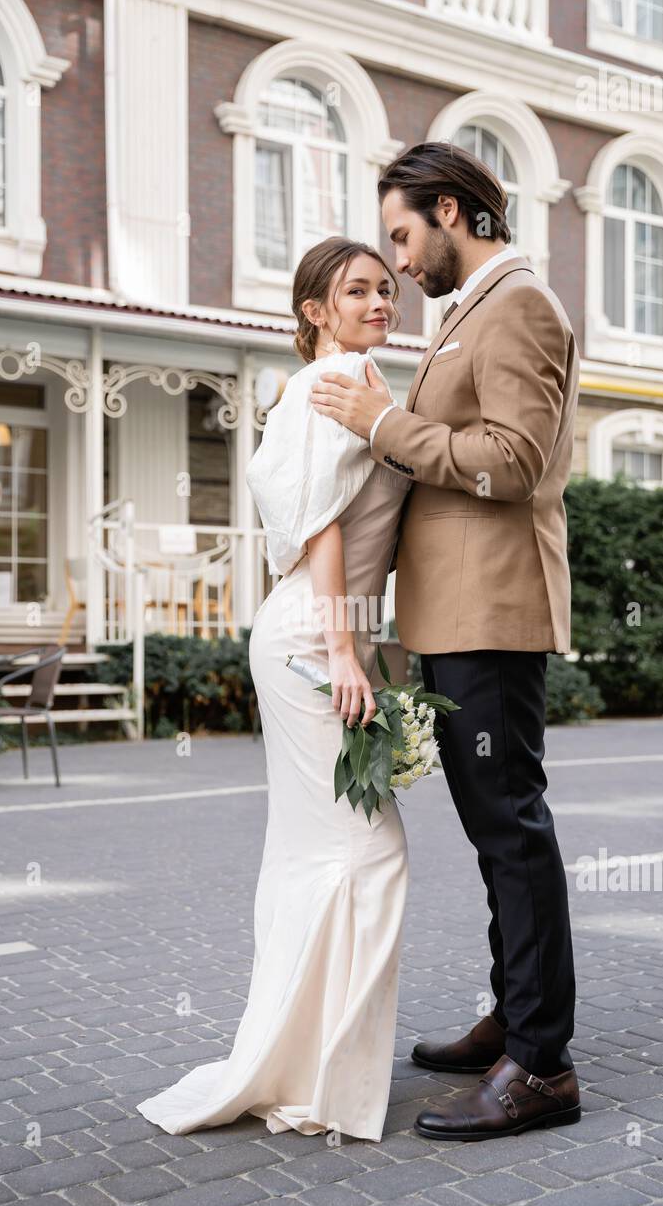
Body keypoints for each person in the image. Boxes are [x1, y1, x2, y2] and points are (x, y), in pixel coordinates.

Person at [309, 141, 582, 1141]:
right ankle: (516, 1018)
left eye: (401, 233)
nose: (397, 259)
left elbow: (511, 461)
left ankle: (540, 1064)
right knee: (492, 831)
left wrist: (383, 422)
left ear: (453, 212)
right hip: (452, 614)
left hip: (491, 614)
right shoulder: (466, 315)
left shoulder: (520, 308)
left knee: (510, 828)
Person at [136, 237, 412, 1143]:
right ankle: (318, 1074)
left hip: (314, 630)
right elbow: (323, 526)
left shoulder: (337, 385)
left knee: (311, 853)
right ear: (314, 310)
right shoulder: (336, 382)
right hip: (312, 637)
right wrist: (345, 649)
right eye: (358, 291)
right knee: (370, 855)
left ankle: (305, 1066)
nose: (380, 301)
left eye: (386, 287)